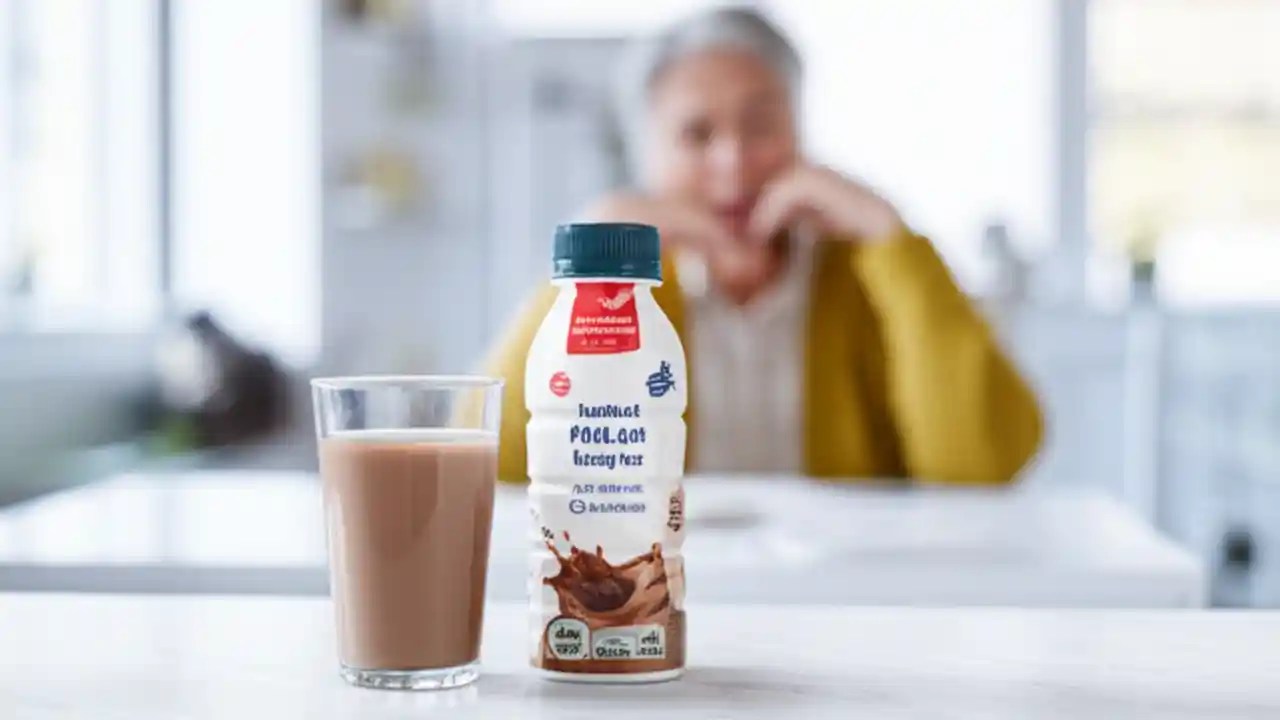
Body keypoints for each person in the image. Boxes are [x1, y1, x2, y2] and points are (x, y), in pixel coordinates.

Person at [482, 7, 1042, 483]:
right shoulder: (619, 300)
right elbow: (496, 468)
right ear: (646, 155)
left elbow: (982, 467)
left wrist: (891, 237)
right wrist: (590, 267)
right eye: (696, 135)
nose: (733, 160)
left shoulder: (866, 277)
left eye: (761, 126)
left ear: (800, 132)